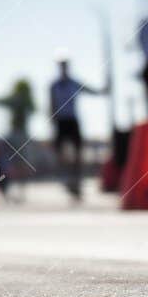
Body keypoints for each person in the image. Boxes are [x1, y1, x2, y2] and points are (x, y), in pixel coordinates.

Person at [48, 55, 106, 199]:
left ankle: (76, 180)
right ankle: (67, 177)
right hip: (60, 121)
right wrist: (51, 121)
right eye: (61, 65)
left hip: (72, 120)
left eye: (65, 65)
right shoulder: (54, 85)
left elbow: (90, 91)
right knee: (60, 152)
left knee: (78, 152)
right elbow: (51, 104)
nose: (63, 67)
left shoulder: (74, 83)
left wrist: (103, 90)